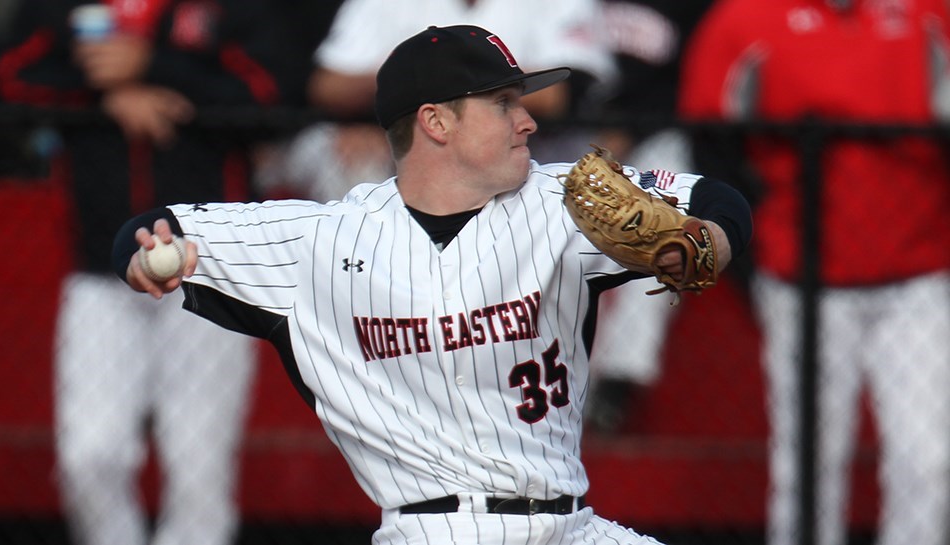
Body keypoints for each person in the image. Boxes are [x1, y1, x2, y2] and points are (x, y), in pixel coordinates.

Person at [112, 25, 752, 545]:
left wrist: (698, 244)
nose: (527, 121)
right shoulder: (323, 241)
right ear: (436, 123)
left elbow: (716, 203)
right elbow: (150, 231)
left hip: (572, 527)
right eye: (503, 104)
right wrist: (147, 255)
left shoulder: (560, 200)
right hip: (434, 531)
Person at [0, 1, 290, 543]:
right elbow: (5, 79)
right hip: (100, 270)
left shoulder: (230, 9)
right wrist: (105, 92)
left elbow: (273, 95)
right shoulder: (60, 9)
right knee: (90, 454)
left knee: (197, 461)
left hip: (210, 271)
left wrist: (153, 65)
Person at [679, 2, 950, 545]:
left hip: (920, 271)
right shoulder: (744, 19)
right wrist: (753, 255)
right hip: (798, 273)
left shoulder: (932, 12)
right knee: (809, 462)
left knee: (929, 459)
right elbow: (711, 147)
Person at [259, 0, 616, 202]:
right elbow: (328, 86)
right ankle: (366, 279)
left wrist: (416, 79)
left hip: (534, 149)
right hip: (399, 140)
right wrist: (386, 119)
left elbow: (559, 95)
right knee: (340, 150)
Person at [583, 0, 717, 433]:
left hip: (652, 137)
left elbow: (690, 86)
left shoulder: (688, 7)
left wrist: (629, 129)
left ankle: (618, 380)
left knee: (660, 224)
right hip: (571, 133)